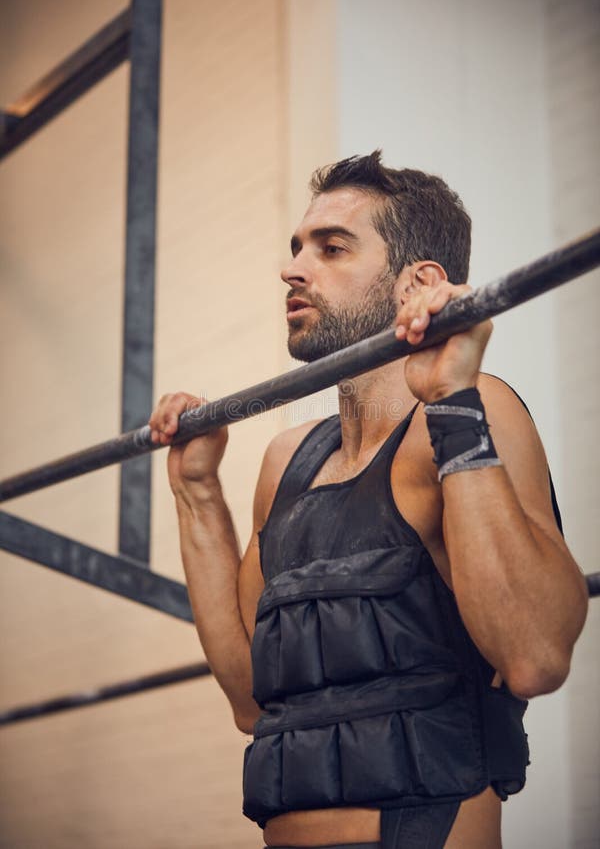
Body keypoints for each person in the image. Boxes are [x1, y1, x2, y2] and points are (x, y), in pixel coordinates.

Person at [149, 152, 588, 848]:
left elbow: (534, 657)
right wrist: (196, 493)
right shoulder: (287, 460)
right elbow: (252, 699)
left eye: (331, 248)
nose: (292, 268)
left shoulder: (477, 410)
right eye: (296, 247)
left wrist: (452, 401)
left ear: (419, 282)